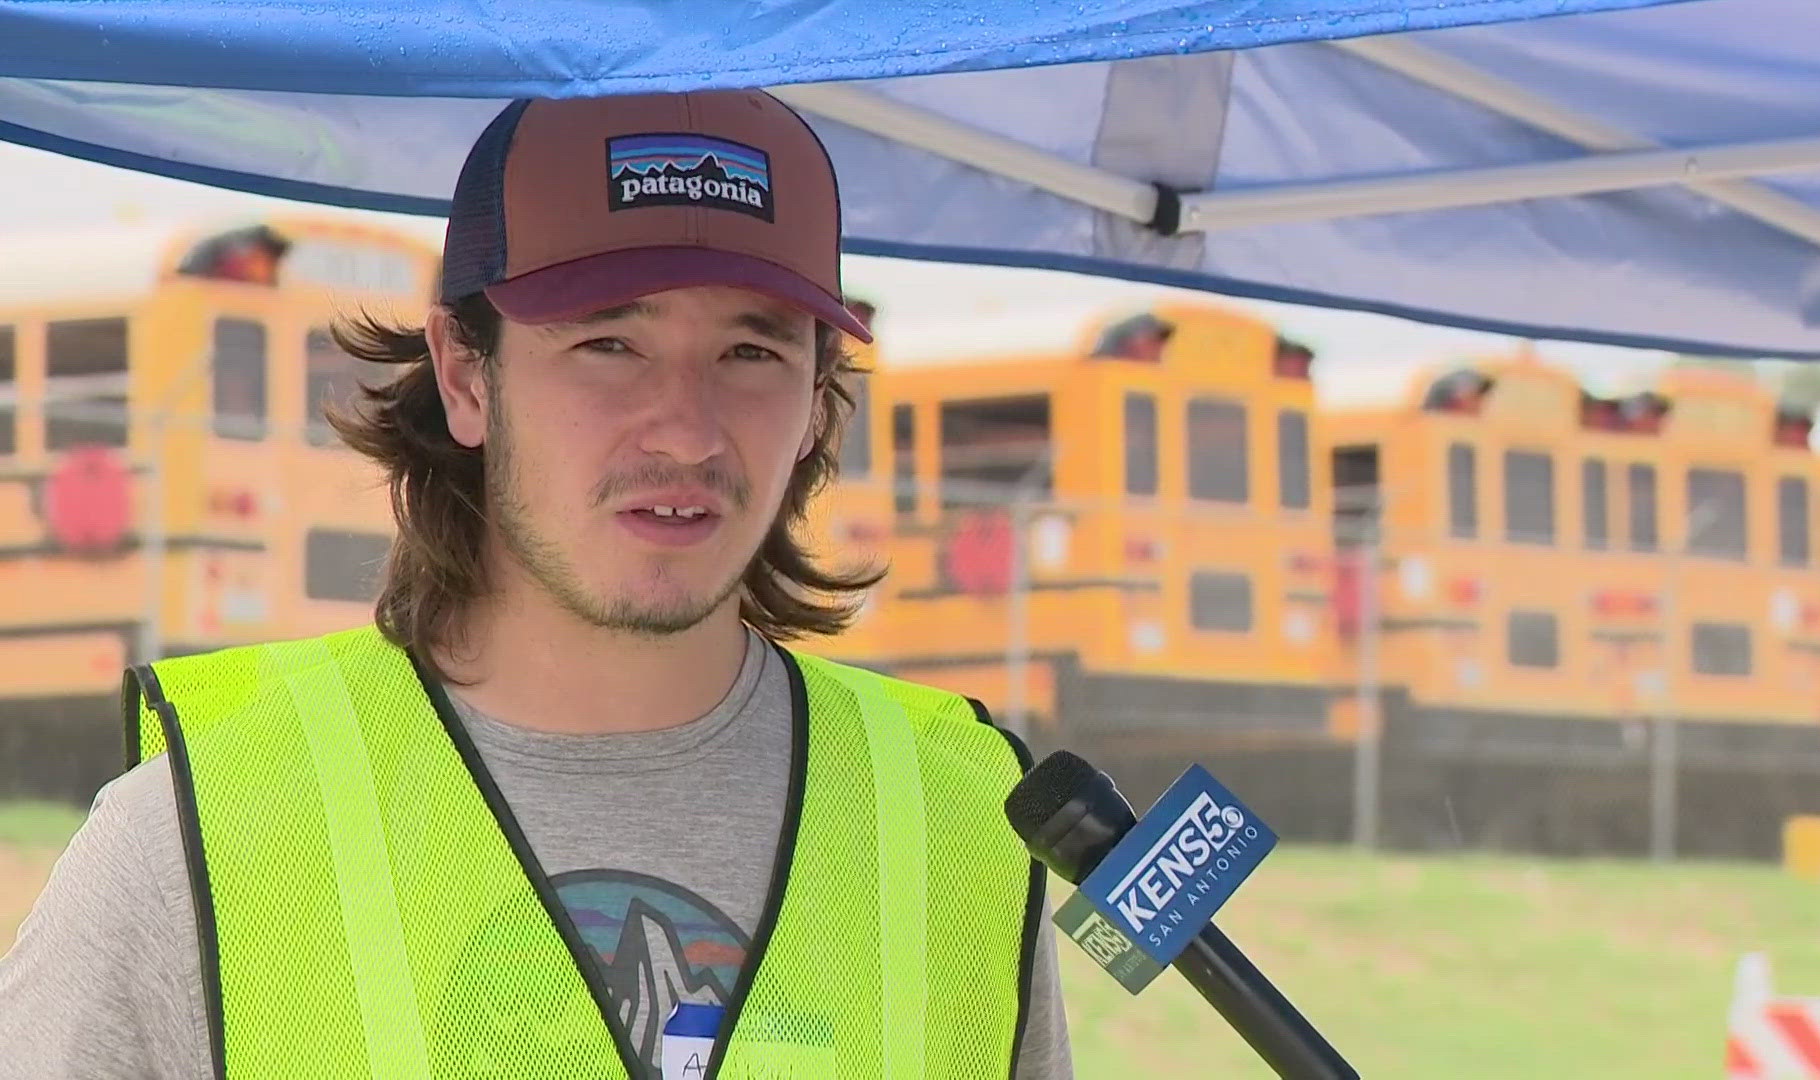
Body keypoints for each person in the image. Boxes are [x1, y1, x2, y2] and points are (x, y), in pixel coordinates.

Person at [0, 88, 1071, 1080]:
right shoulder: (192, 832)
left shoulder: (967, 825)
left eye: (752, 353)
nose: (689, 431)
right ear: (468, 377)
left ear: (818, 399)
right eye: (610, 343)